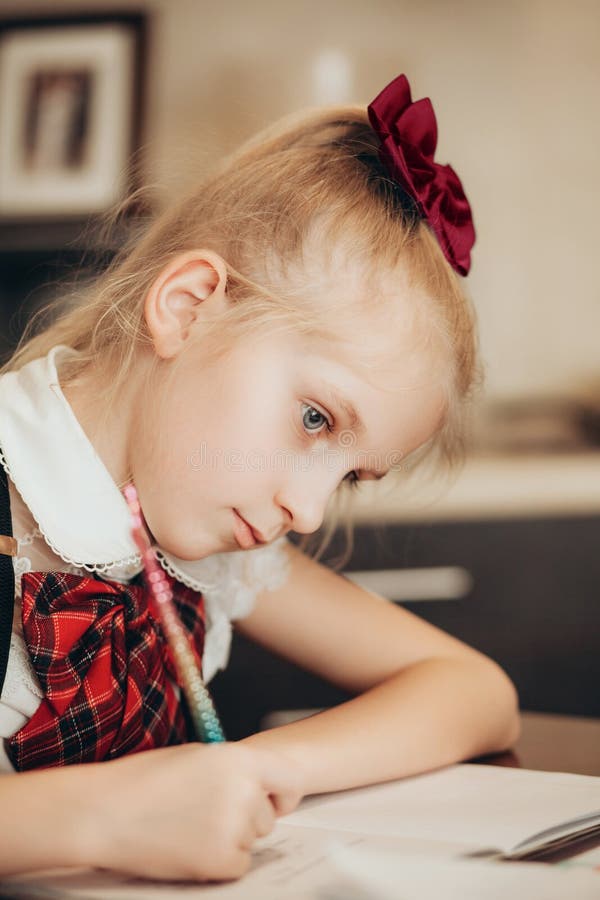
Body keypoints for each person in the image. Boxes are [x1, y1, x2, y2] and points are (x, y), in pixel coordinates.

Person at [0, 73, 520, 882]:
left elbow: (475, 692)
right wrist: (105, 816)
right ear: (190, 304)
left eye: (351, 477)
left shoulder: (206, 544)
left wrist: (257, 772)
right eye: (315, 418)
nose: (308, 512)